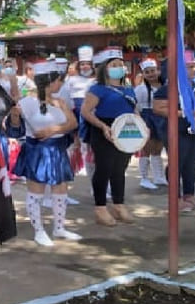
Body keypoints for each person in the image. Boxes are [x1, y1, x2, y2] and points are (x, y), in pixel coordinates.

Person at [14, 62, 79, 246]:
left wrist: (54, 129)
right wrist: (15, 116)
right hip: (37, 151)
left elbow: (73, 123)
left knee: (61, 189)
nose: (61, 84)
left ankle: (59, 228)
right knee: (36, 191)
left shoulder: (60, 101)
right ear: (50, 81)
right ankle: (39, 231)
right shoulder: (26, 102)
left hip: (57, 149)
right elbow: (15, 128)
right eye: (59, 80)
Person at [80, 47, 138, 226]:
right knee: (104, 169)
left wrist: (142, 127)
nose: (119, 67)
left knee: (120, 169)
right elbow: (85, 111)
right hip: (104, 130)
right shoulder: (97, 89)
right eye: (114, 65)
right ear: (104, 68)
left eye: (121, 64)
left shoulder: (128, 89)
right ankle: (100, 208)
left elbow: (134, 110)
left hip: (126, 130)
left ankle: (119, 205)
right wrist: (103, 126)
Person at [152, 55, 195, 212]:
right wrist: (184, 113)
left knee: (192, 162)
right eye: (189, 67)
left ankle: (189, 195)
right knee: (177, 163)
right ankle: (175, 198)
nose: (193, 70)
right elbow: (158, 108)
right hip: (175, 130)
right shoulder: (168, 88)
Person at [133, 59, 168, 190]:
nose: (151, 74)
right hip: (147, 118)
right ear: (143, 74)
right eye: (147, 72)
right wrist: (140, 122)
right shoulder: (140, 89)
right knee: (146, 149)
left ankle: (159, 176)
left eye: (153, 71)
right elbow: (135, 106)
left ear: (158, 71)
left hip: (161, 118)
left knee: (158, 148)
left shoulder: (165, 87)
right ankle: (144, 178)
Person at [63, 45, 96, 177]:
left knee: (89, 146)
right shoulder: (71, 80)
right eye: (82, 64)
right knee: (72, 145)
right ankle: (68, 171)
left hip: (91, 114)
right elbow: (65, 96)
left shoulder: (97, 81)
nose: (85, 67)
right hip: (73, 113)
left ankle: (93, 177)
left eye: (88, 64)